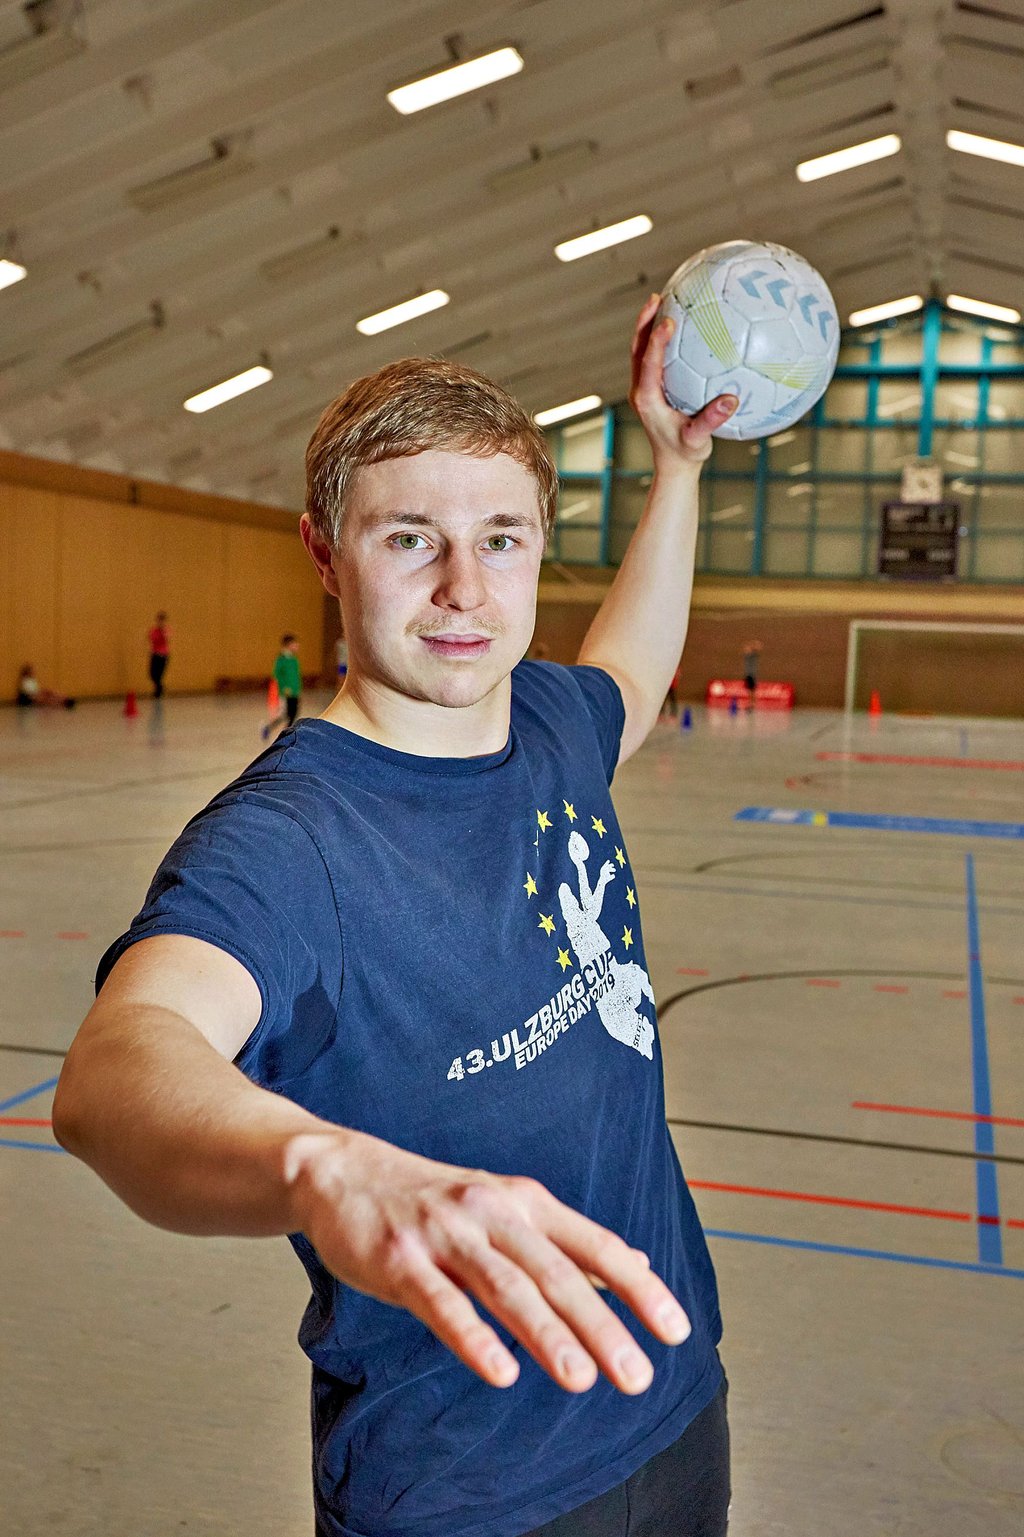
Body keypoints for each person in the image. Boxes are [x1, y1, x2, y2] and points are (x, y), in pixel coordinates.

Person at [53, 300, 739, 1537]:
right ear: (325, 550)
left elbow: (633, 665)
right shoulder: (289, 839)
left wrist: (677, 467)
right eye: (410, 538)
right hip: (463, 1489)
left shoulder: (550, 723)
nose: (464, 589)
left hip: (672, 1405)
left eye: (503, 539)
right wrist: (328, 1170)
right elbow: (118, 1063)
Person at [261, 633, 302, 740]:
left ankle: (280, 732)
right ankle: (281, 734)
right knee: (287, 715)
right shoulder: (281, 659)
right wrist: (284, 688)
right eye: (294, 643)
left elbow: (296, 677)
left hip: (295, 691)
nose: (297, 645)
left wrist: (298, 690)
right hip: (286, 692)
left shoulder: (294, 659)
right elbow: (277, 675)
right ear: (288, 644)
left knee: (293, 714)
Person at [148, 611, 171, 699]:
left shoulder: (167, 630)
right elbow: (152, 639)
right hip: (155, 654)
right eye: (159, 620)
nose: (161, 622)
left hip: (164, 655)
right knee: (152, 674)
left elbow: (167, 639)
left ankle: (157, 693)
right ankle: (161, 688)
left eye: (162, 620)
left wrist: (163, 632)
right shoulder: (154, 630)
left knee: (159, 675)